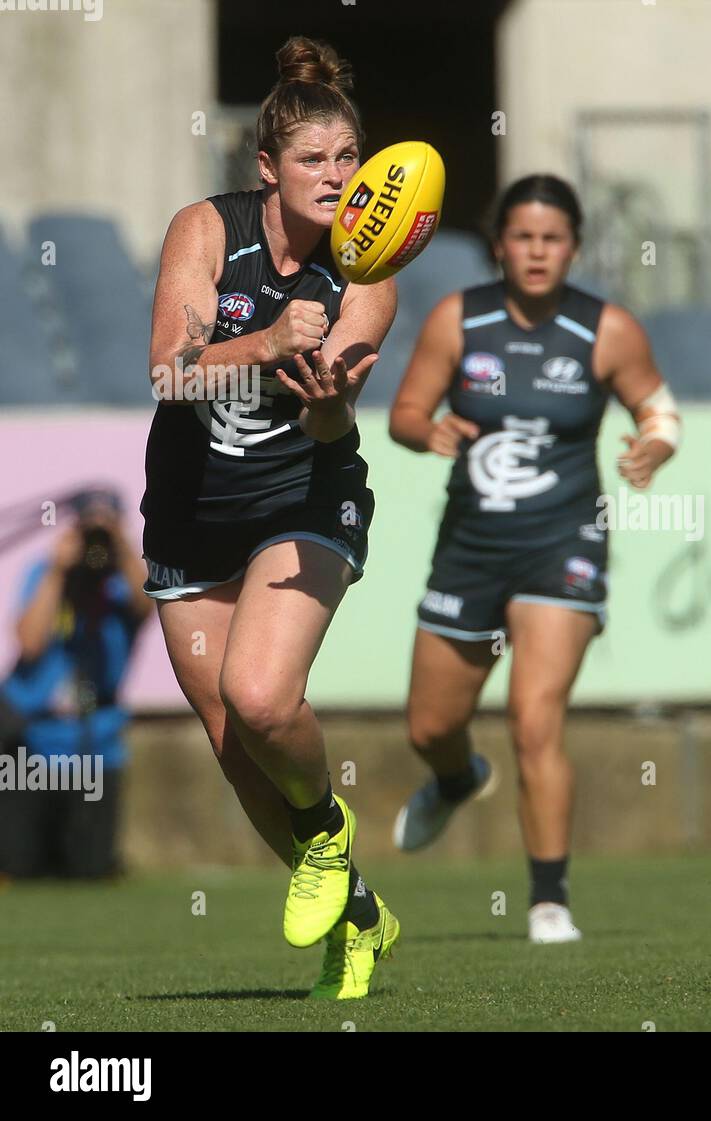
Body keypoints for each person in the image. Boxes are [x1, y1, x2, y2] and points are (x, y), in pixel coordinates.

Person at [139, 37, 397, 999]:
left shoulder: (373, 270)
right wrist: (266, 339)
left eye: (346, 161)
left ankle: (325, 834)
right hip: (191, 514)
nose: (333, 179)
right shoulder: (206, 229)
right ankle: (360, 912)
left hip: (304, 496)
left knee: (258, 697)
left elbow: (335, 418)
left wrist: (327, 389)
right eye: (311, 160)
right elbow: (168, 372)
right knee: (228, 741)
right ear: (267, 168)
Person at [389, 174, 680, 944]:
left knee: (533, 716)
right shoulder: (460, 319)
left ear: (574, 247)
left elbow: (658, 406)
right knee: (429, 724)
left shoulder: (606, 329)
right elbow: (404, 414)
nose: (538, 251)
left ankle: (549, 899)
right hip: (471, 548)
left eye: (553, 239)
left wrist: (654, 443)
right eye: (523, 237)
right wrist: (431, 431)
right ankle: (455, 778)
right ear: (499, 245)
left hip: (563, 545)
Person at [0, 489, 150, 879]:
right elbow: (29, 642)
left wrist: (118, 543)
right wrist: (57, 570)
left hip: (96, 741)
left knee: (90, 869)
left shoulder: (122, 582)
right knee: (19, 866)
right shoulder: (46, 573)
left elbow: (145, 604)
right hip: (32, 739)